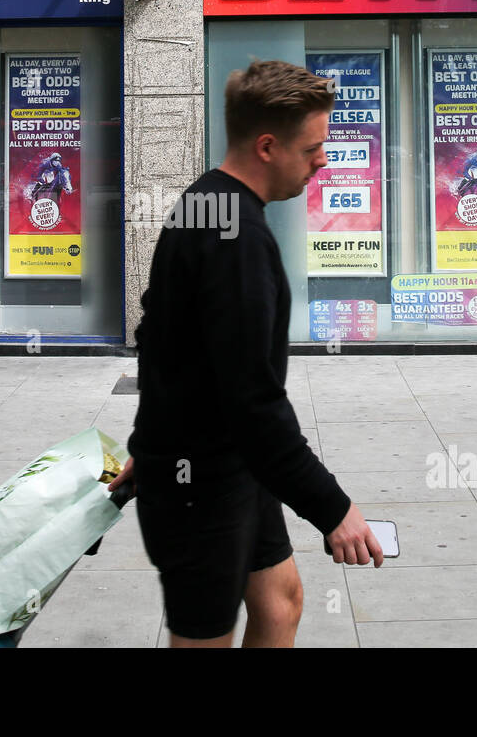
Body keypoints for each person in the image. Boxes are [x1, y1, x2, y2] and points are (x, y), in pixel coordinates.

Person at [107, 59, 383, 649]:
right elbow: (254, 402)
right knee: (204, 638)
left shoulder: (202, 202)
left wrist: (151, 447)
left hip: (229, 468)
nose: (323, 160)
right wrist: (334, 509)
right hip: (199, 491)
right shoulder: (239, 242)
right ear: (266, 146)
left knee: (280, 604)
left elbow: (164, 337)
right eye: (312, 148)